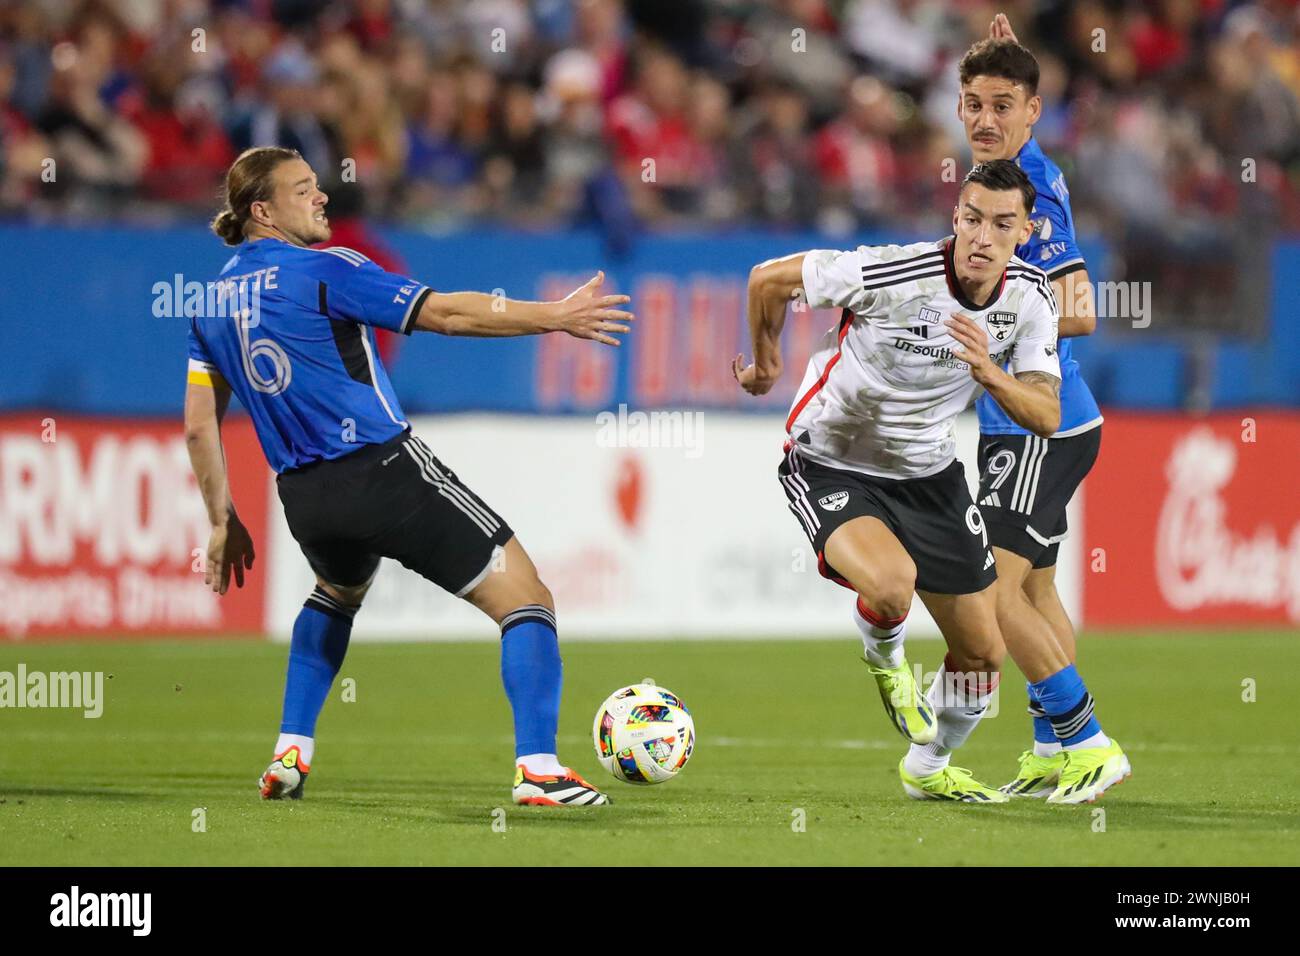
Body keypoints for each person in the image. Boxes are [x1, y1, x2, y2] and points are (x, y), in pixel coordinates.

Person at [184, 146, 634, 807]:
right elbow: (446, 314)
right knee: (527, 599)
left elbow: (200, 425)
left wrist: (222, 520)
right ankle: (538, 767)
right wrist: (554, 316)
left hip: (304, 498)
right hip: (381, 471)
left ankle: (291, 750)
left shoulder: (208, 303)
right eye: (303, 190)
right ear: (263, 210)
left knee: (336, 593)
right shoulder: (325, 270)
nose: (322, 198)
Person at [734, 160, 1062, 802]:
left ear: (1025, 231)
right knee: (891, 586)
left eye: (1001, 225)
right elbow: (767, 279)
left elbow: (1046, 415)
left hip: (930, 474)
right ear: (955, 219)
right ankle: (886, 661)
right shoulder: (893, 271)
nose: (982, 237)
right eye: (971, 219)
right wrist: (769, 362)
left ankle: (928, 764)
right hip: (832, 456)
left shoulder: (1031, 298)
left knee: (983, 654)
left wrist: (991, 373)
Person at [959, 17, 1130, 802]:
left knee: (991, 592)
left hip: (1040, 419)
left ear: (1034, 110)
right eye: (972, 103)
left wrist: (977, 333)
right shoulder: (1004, 179)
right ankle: (1050, 751)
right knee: (1032, 594)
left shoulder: (1031, 188)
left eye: (1004, 103)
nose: (986, 118)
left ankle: (1087, 740)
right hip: (1029, 421)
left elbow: (1081, 307)